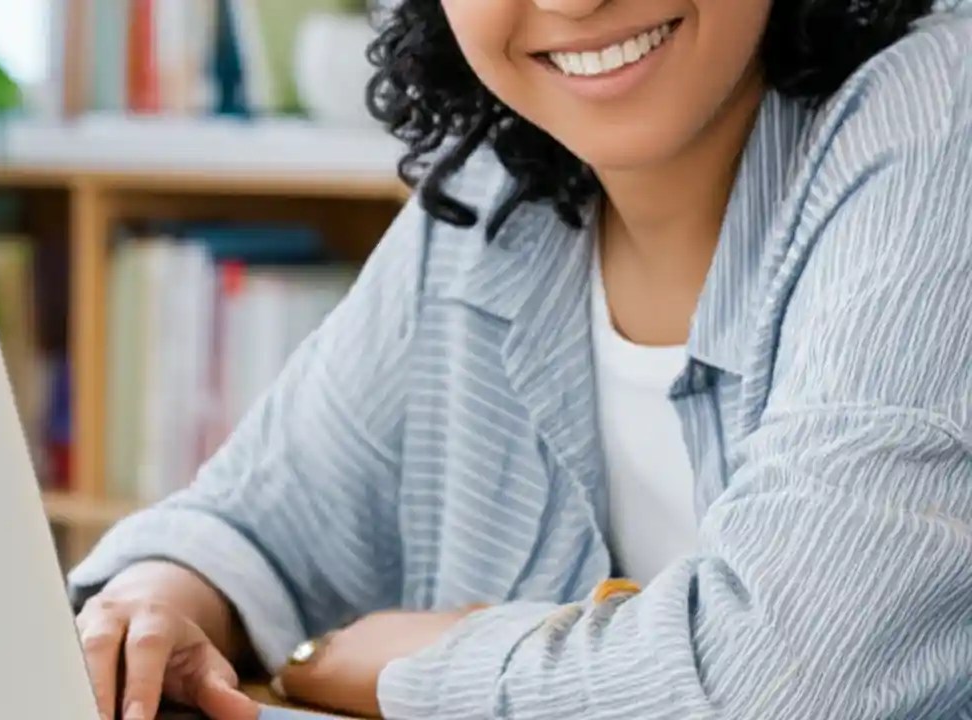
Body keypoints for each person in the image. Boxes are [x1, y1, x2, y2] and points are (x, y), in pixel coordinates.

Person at [69, 1, 972, 718]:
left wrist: (410, 663)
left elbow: (782, 683)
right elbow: (253, 524)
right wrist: (156, 602)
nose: (575, 1)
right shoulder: (491, 195)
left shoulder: (943, 114)